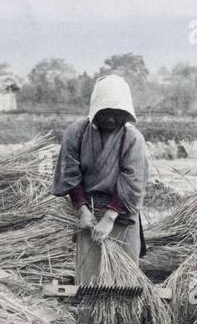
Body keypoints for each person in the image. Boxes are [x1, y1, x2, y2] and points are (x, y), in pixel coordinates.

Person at [51, 74, 148, 291]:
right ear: (96, 110)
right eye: (105, 114)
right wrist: (82, 210)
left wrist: (109, 218)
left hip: (122, 213)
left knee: (125, 285)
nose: (111, 120)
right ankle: (89, 323)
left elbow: (133, 182)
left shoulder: (133, 138)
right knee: (90, 281)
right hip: (89, 212)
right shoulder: (76, 132)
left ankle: (123, 323)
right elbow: (70, 174)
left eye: (117, 114)